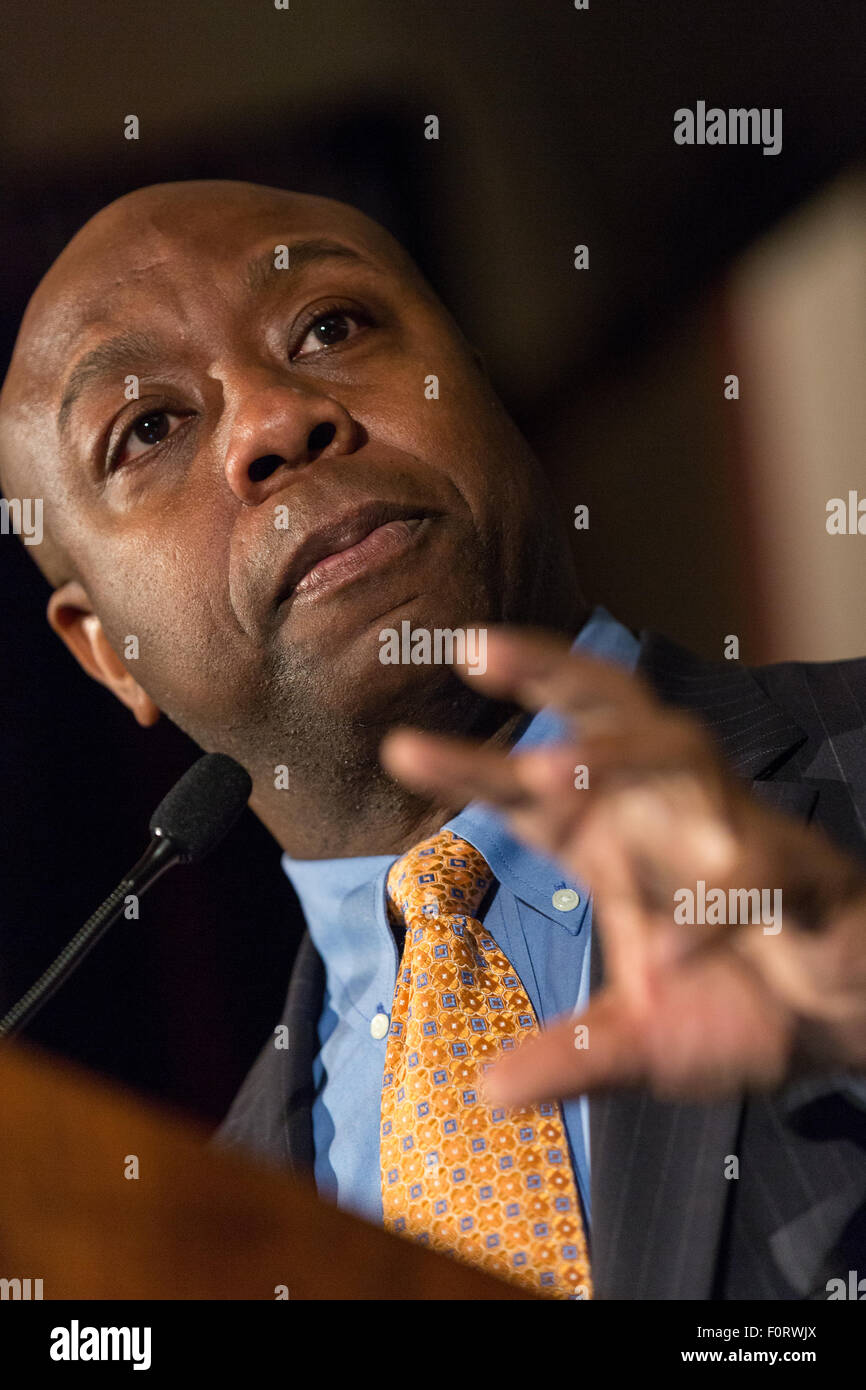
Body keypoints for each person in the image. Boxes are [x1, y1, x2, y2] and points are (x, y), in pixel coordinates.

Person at [1, 179, 865, 1300]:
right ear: (106, 652)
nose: (273, 421)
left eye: (331, 326)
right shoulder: (201, 1250)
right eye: (149, 427)